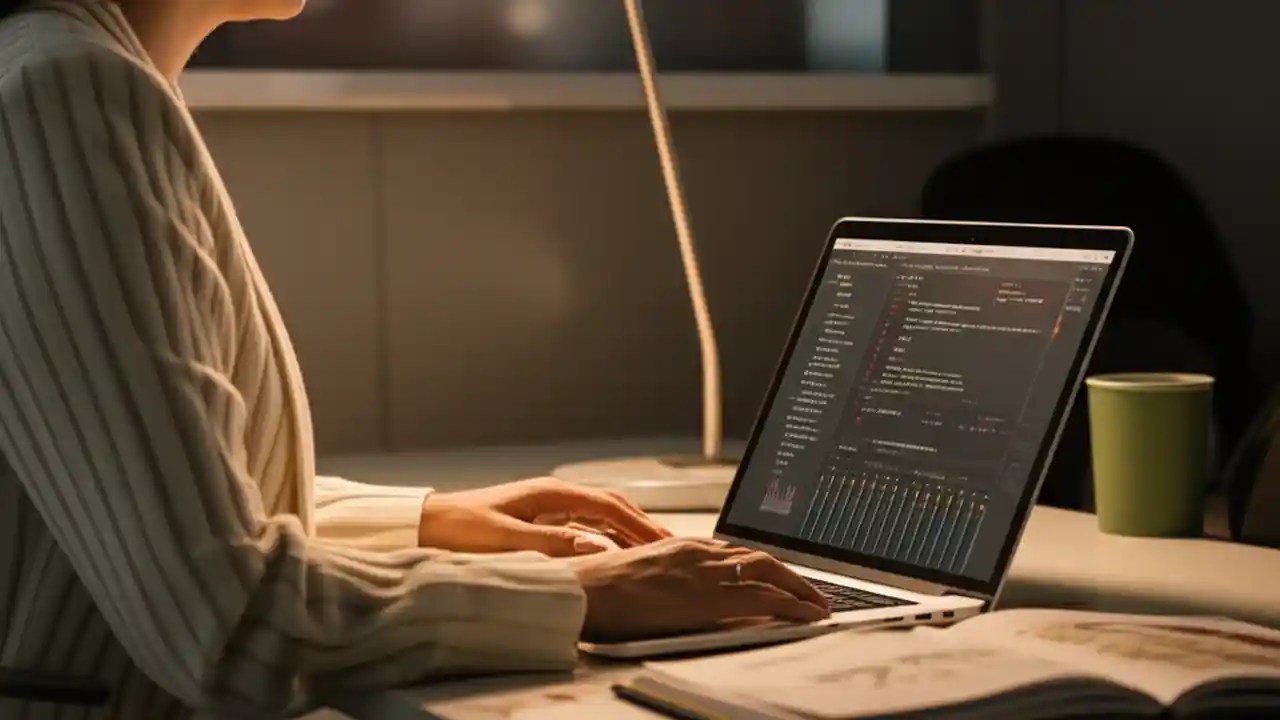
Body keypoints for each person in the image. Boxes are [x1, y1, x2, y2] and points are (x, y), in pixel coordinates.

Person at [0, 0, 829, 717]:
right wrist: (584, 596)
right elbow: (224, 625)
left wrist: (434, 521)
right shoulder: (68, 91)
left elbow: (153, 494)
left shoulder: (85, 75)